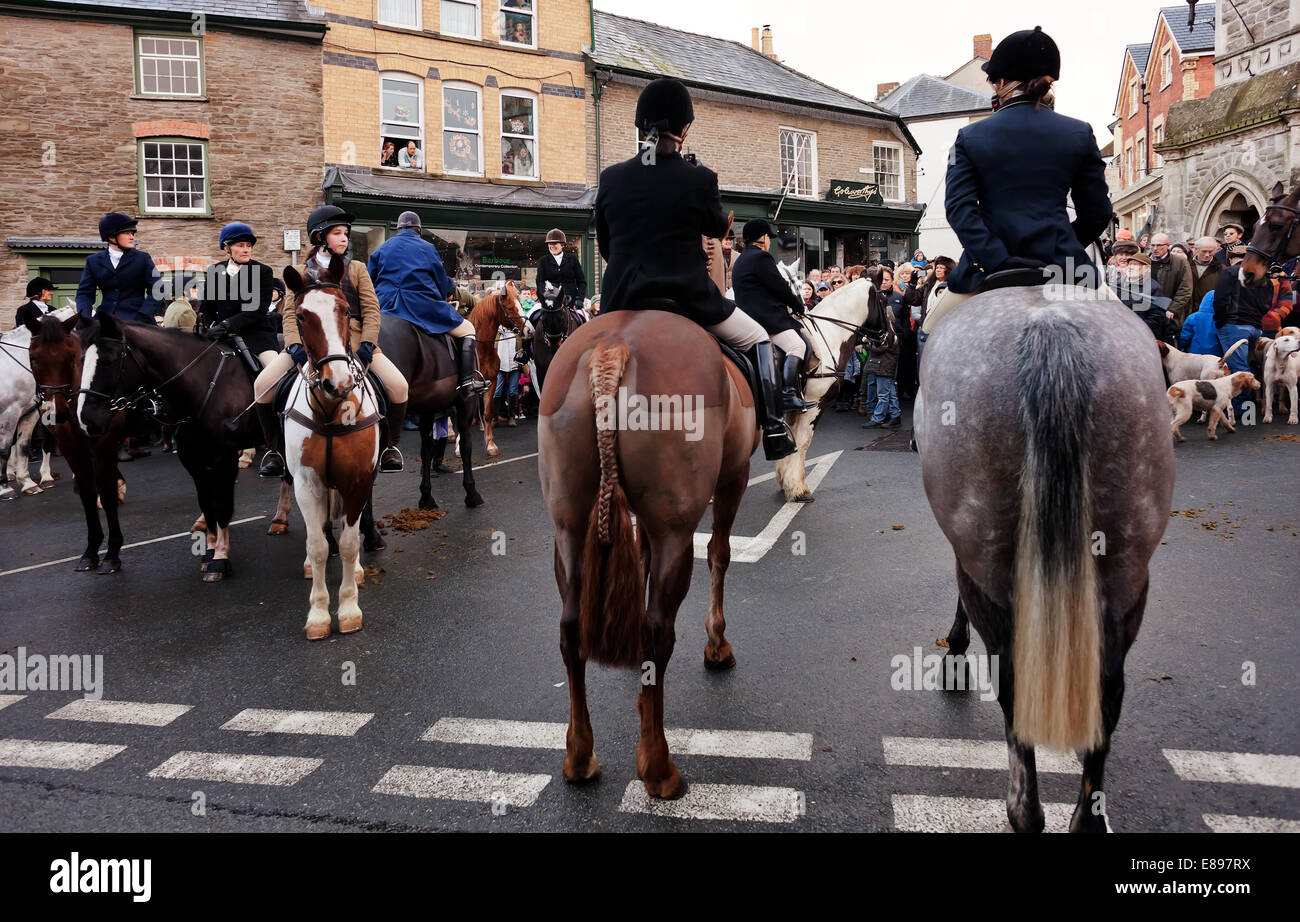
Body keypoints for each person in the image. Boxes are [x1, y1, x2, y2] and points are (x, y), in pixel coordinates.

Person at [594, 77, 794, 459]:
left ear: (640, 125)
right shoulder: (699, 178)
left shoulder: (612, 178)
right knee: (759, 339)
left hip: (621, 301)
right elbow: (715, 226)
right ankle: (773, 429)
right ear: (684, 128)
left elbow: (605, 247)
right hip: (686, 299)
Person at [923, 26, 1112, 335]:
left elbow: (959, 209)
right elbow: (1097, 213)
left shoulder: (967, 138)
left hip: (991, 264)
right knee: (1132, 330)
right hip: (1064, 264)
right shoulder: (1080, 133)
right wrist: (1061, 244)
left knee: (930, 332)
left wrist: (995, 258)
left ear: (1000, 82)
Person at [252, 205, 410, 476]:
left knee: (399, 386)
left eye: (346, 233)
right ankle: (274, 450)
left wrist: (369, 343)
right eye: (337, 233)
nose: (344, 238)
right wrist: (294, 345)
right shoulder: (300, 271)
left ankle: (389, 448)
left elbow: (372, 309)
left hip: (356, 341)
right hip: (309, 342)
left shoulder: (357, 268)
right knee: (262, 385)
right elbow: (290, 313)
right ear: (320, 237)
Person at [730, 218, 816, 413]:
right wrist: (798, 306)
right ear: (763, 238)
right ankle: (788, 395)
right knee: (798, 345)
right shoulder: (761, 258)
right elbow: (781, 287)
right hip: (766, 319)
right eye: (769, 237)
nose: (769, 241)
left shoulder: (742, 259)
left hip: (747, 319)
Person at [1213, 251, 1273, 417]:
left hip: (1234, 325)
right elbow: (1266, 305)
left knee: (1239, 368)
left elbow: (1220, 300)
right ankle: (1247, 407)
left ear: (1231, 259)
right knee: (1248, 365)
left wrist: (1221, 322)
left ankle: (1244, 411)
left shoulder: (1230, 273)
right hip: (1254, 327)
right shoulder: (1264, 278)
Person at [76, 212, 161, 325]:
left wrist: (143, 315)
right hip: (104, 320)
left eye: (132, 233)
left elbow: (158, 289)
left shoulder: (143, 258)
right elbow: (84, 293)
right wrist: (84, 319)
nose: (132, 237)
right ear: (111, 236)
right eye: (127, 233)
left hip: (138, 320)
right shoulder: (93, 261)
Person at [860, 265, 902, 429]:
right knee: (889, 389)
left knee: (883, 392)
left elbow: (883, 345)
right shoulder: (886, 322)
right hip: (884, 360)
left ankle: (878, 418)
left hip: (886, 360)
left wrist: (868, 343)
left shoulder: (887, 326)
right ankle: (895, 415)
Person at [1149, 232, 1194, 330]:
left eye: (1159, 245)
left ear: (1168, 246)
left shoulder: (1180, 262)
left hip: (1168, 313)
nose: (1155, 248)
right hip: (1148, 311)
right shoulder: (1145, 261)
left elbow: (1185, 289)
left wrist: (1172, 309)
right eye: (1153, 245)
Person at [536, 228, 587, 310]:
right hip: (550, 299)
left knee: (585, 319)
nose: (552, 246)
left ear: (562, 244)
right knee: (532, 316)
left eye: (555, 243)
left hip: (571, 300)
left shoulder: (572, 259)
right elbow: (540, 281)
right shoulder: (543, 260)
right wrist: (546, 295)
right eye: (549, 244)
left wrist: (580, 298)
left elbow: (581, 281)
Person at [1189, 235, 1223, 310]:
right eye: (1204, 251)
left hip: (1207, 310)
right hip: (1185, 310)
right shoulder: (1186, 265)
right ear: (1196, 249)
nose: (1207, 255)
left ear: (1215, 250)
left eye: (1210, 251)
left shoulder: (1221, 269)